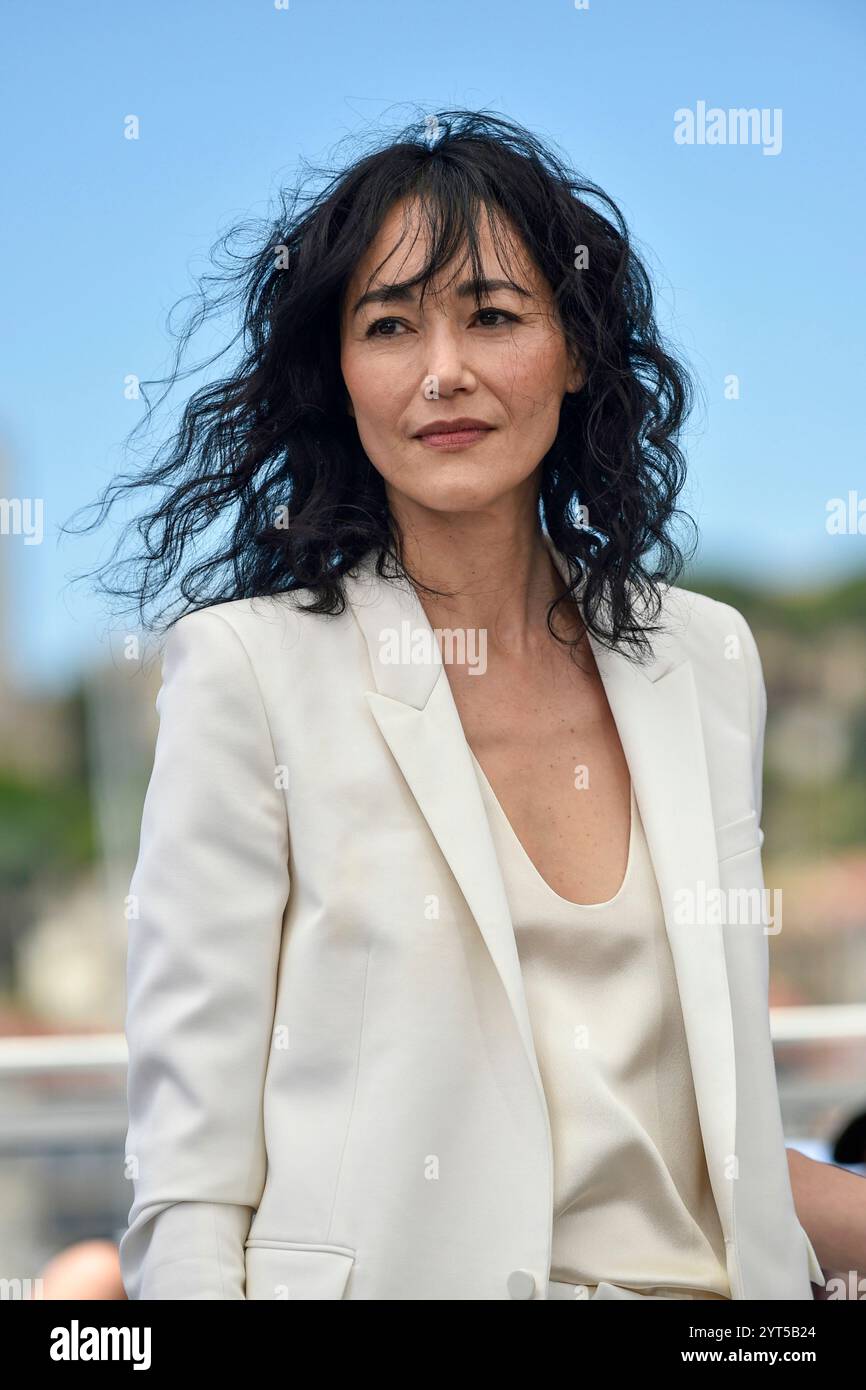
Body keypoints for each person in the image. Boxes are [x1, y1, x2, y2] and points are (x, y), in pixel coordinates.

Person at [71, 109, 831, 1300]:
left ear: (575, 350)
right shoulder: (247, 674)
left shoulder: (706, 659)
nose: (443, 372)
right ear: (341, 376)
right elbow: (192, 1167)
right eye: (388, 325)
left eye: (491, 314)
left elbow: (706, 1122)